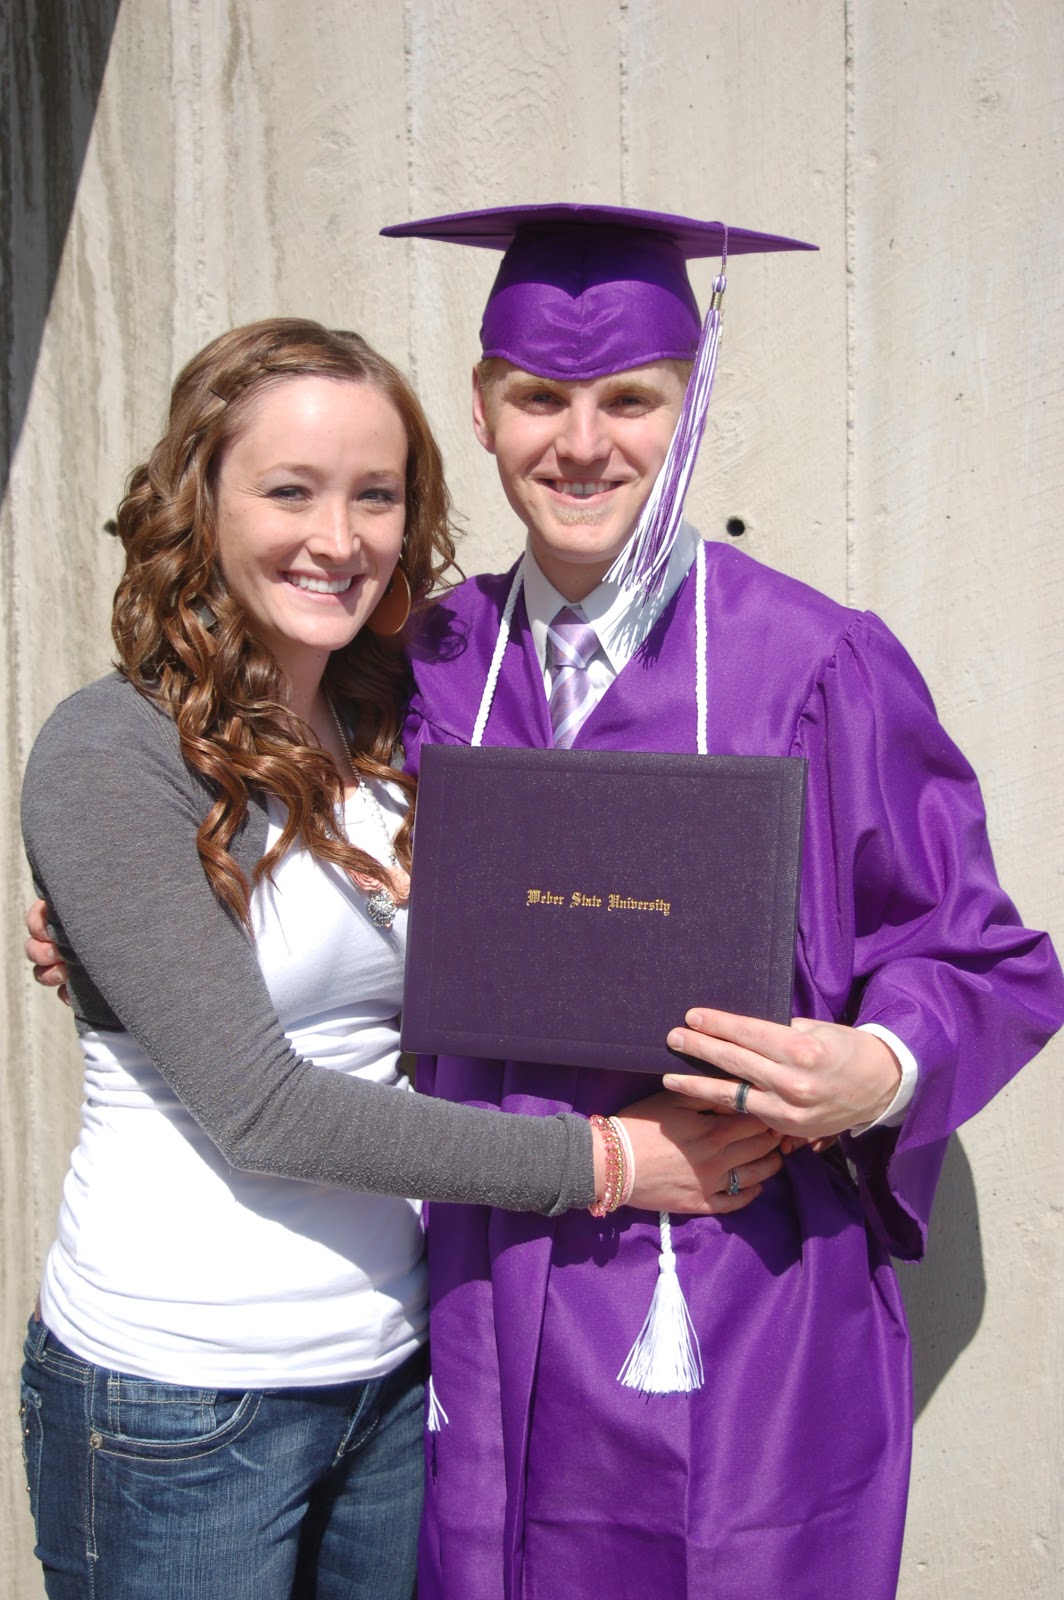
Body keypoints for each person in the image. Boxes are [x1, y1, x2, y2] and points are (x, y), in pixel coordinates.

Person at [17, 317, 785, 1600]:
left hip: (388, 1376)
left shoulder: (392, 724)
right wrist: (608, 1162)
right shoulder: (114, 751)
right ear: (197, 500)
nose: (339, 537)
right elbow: (261, 1105)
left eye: (375, 494)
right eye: (290, 491)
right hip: (178, 1398)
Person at [379, 204, 1064, 1600]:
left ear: (693, 406)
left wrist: (873, 1068)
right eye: (539, 399)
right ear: (482, 409)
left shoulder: (817, 666)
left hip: (732, 1296)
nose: (583, 443)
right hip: (483, 1276)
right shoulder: (426, 662)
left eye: (630, 399)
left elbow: (983, 955)